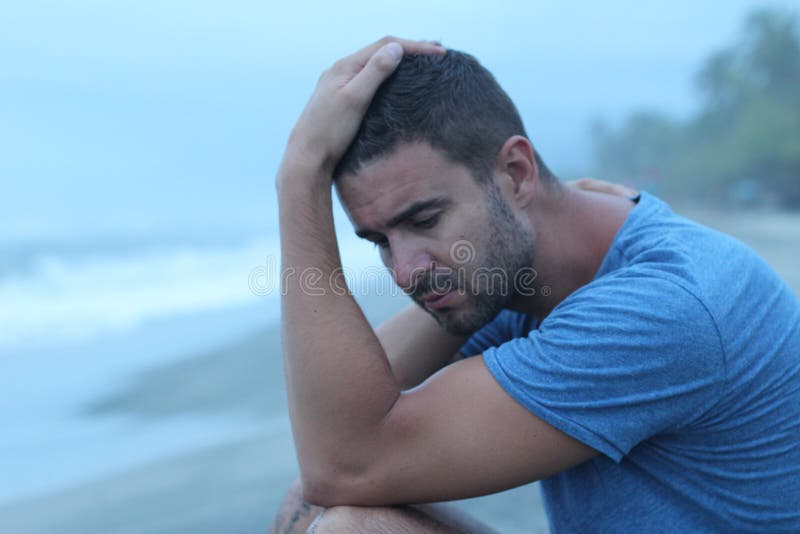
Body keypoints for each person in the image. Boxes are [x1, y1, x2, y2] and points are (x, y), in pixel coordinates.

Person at [269, 37, 800, 533]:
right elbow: (341, 413)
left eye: (425, 220)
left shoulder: (661, 307)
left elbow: (343, 459)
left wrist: (298, 177)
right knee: (315, 504)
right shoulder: (522, 271)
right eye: (379, 241)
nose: (405, 271)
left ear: (518, 173)